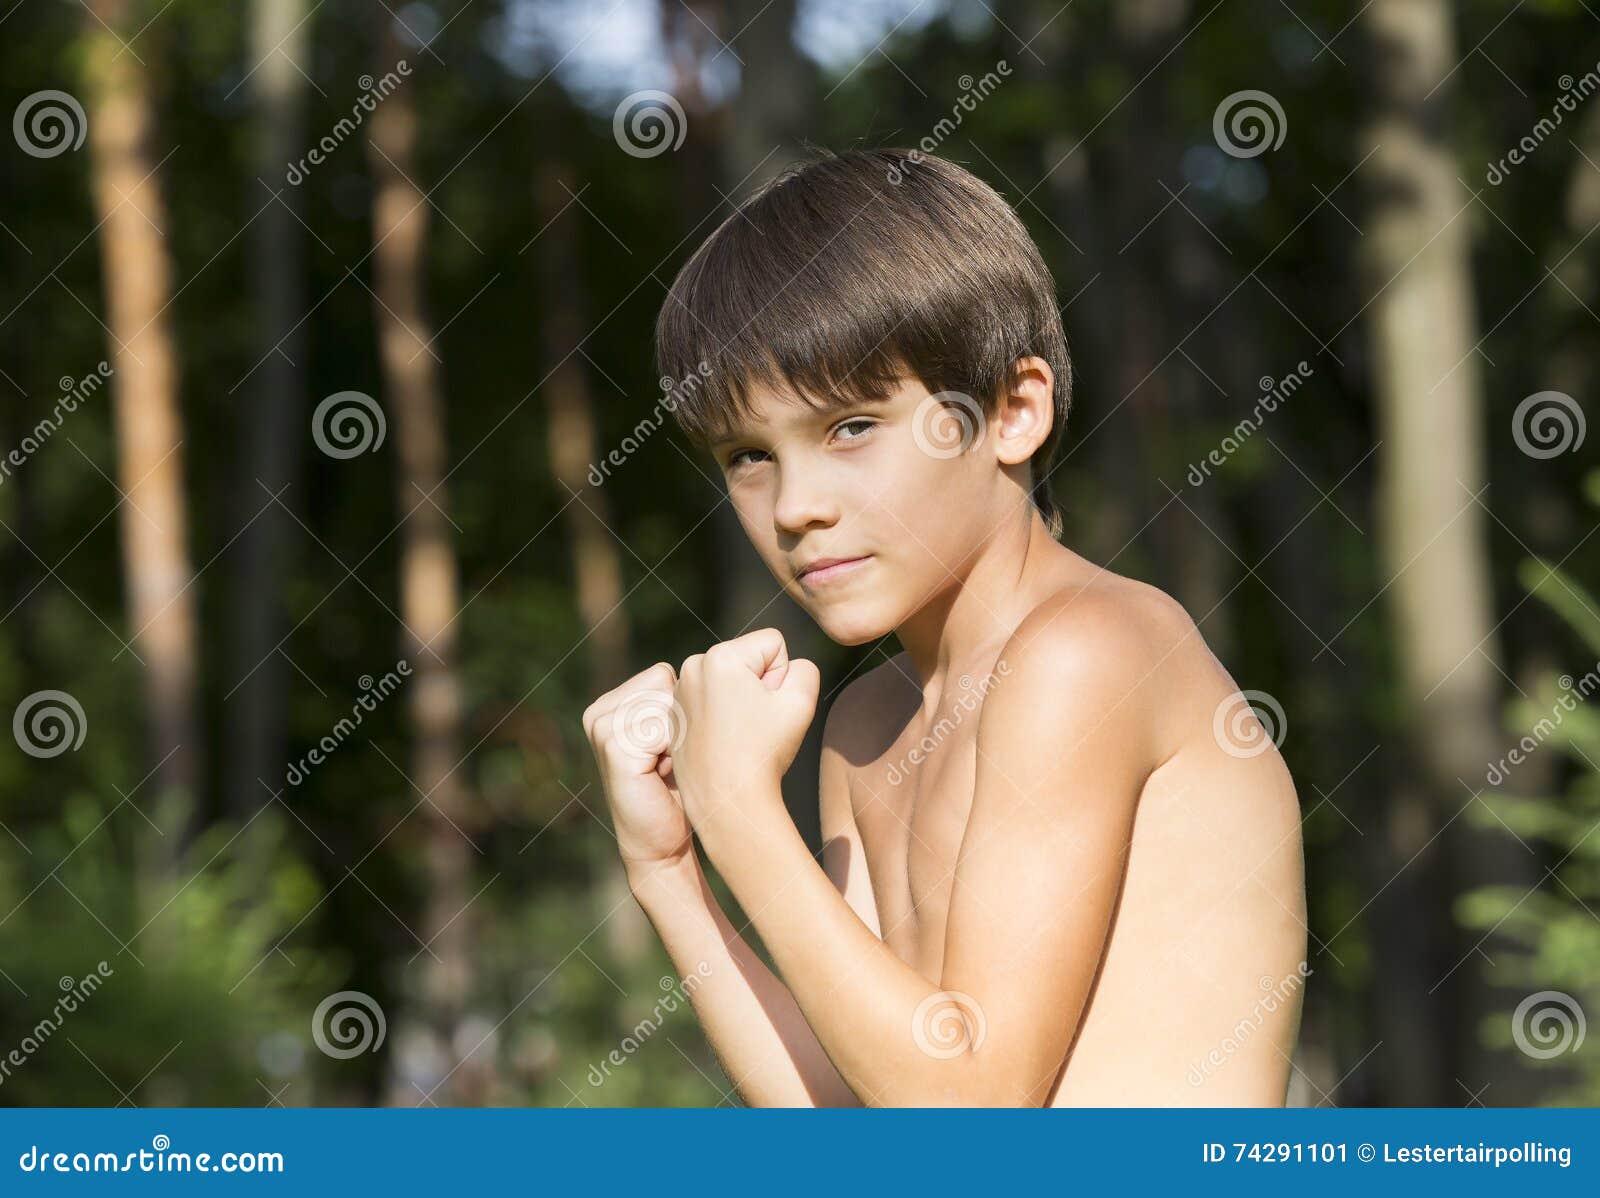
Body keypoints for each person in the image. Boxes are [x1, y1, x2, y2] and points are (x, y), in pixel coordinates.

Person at [581, 148, 1307, 1106]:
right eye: (749, 455)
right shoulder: (867, 726)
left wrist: (740, 813)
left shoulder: (1091, 649)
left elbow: (969, 1109)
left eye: (851, 427)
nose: (795, 506)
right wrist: (669, 864)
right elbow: (856, 1122)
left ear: (1011, 412)